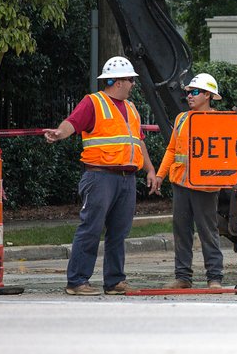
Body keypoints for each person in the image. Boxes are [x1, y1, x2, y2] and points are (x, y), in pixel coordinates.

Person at [45, 56, 156, 296]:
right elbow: (72, 123)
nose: (133, 84)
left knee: (119, 232)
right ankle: (77, 281)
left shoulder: (131, 108)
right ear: (117, 82)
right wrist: (59, 134)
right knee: (91, 228)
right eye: (131, 80)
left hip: (126, 178)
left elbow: (138, 141)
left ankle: (114, 281)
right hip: (100, 177)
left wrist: (150, 169)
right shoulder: (93, 102)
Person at [150, 73, 225, 289]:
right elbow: (172, 149)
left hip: (206, 186)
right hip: (181, 184)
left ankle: (214, 278)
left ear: (208, 95)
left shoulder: (220, 121)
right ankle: (183, 277)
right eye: (189, 92)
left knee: (207, 232)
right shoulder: (181, 119)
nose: (189, 96)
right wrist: (160, 175)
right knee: (182, 231)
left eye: (195, 92)